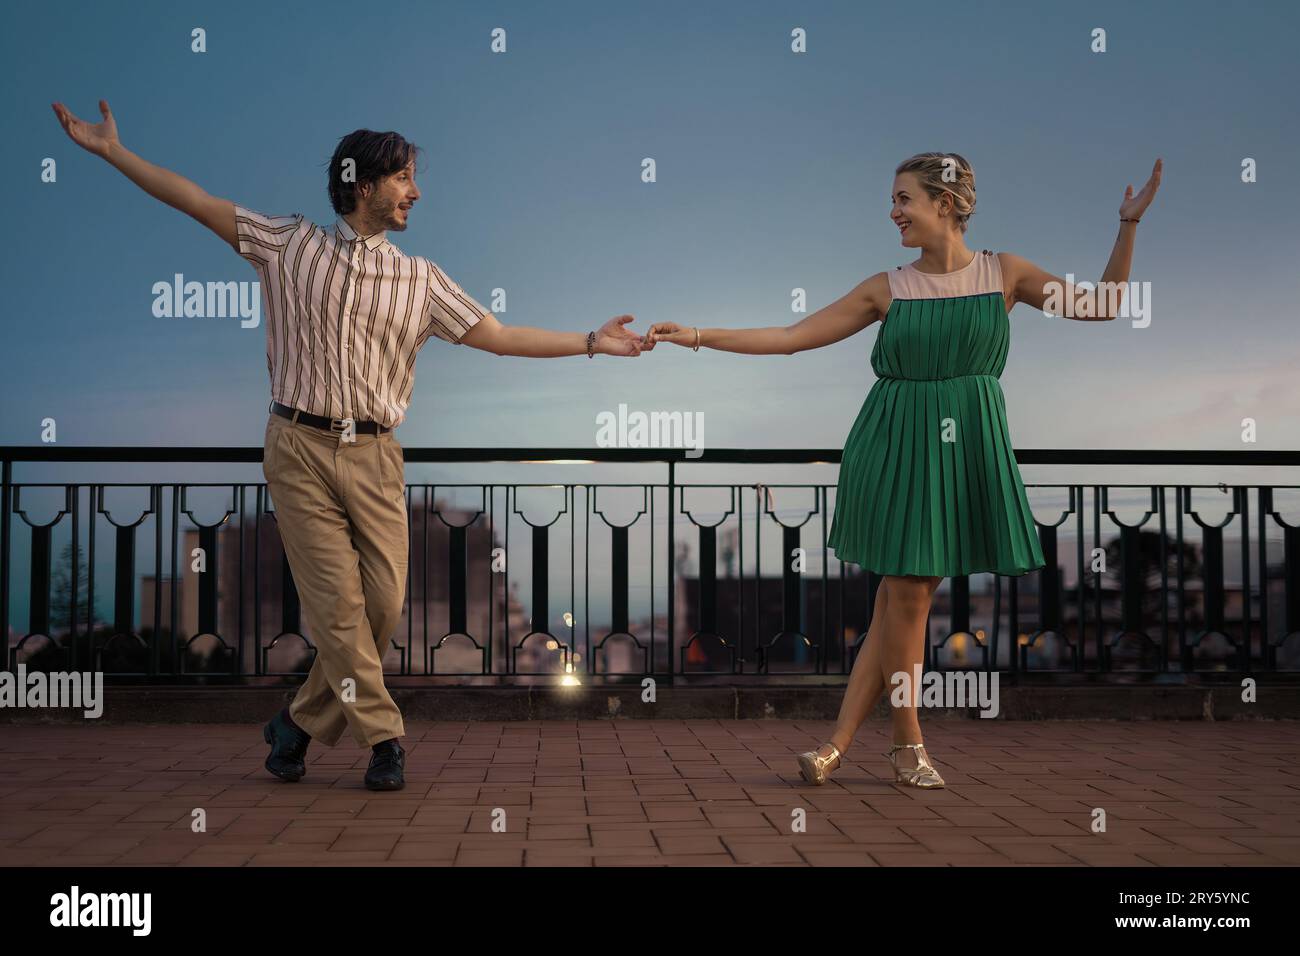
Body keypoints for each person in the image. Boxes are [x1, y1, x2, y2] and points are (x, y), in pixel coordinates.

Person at [52, 99, 646, 791]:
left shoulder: (420, 279)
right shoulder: (288, 244)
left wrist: (591, 342)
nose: (416, 192)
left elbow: (501, 336)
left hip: (375, 456)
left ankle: (295, 724)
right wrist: (116, 153)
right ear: (362, 184)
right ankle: (385, 739)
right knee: (338, 609)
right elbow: (197, 201)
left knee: (382, 607)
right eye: (403, 178)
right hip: (297, 448)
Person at [644, 151, 1162, 789]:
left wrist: (1128, 224)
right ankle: (907, 742)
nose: (893, 213)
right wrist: (697, 334)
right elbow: (790, 337)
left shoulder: (1005, 273)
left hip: (965, 445)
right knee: (909, 595)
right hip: (893, 448)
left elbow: (1104, 305)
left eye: (903, 199)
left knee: (898, 604)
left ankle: (835, 747)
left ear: (943, 203)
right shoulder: (886, 288)